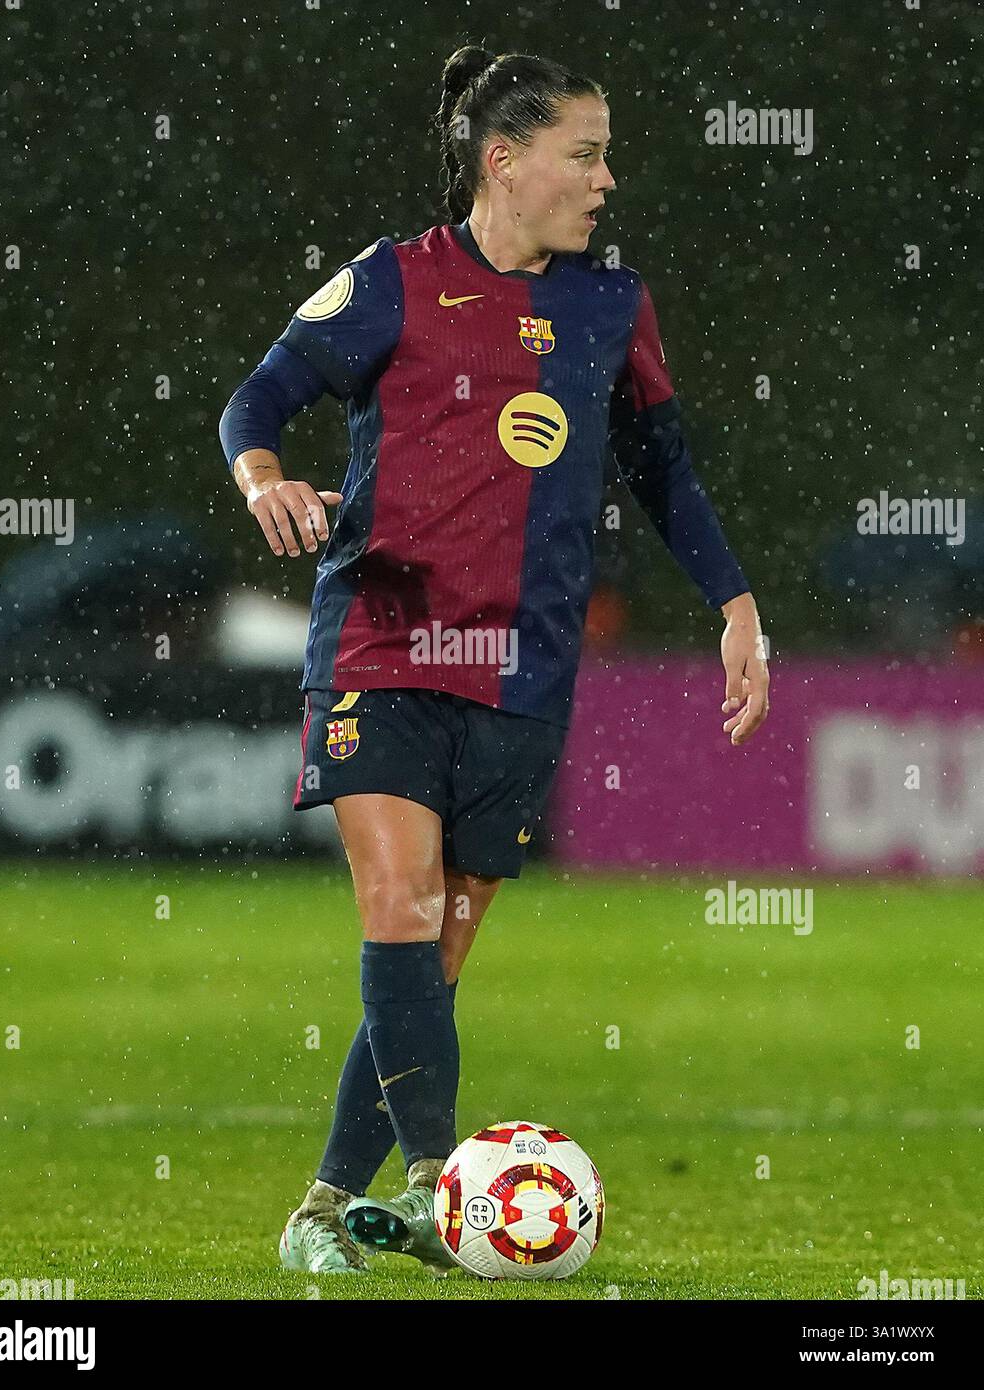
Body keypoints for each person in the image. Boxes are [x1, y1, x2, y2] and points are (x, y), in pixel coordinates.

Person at [218, 44, 770, 1276]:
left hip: (523, 664)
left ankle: (320, 1211)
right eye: (583, 154)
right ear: (502, 162)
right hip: (380, 641)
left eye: (604, 154)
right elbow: (254, 402)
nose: (605, 177)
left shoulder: (608, 306)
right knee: (397, 907)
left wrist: (733, 602)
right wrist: (264, 479)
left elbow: (662, 469)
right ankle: (435, 1188)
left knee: (433, 956)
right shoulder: (391, 284)